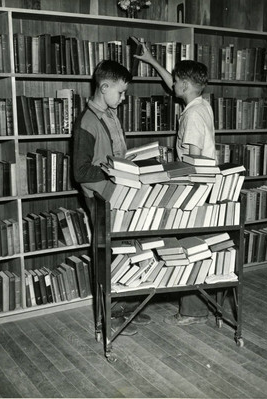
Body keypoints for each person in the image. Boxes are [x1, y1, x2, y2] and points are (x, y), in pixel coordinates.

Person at [135, 43, 216, 326]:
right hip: (203, 186)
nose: (173, 86)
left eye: (176, 81)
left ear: (184, 84)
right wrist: (151, 60)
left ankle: (194, 312)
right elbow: (175, 83)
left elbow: (192, 160)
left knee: (188, 247)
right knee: (193, 245)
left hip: (192, 187)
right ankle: (195, 306)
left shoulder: (192, 115)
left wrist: (164, 175)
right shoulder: (200, 104)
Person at [72, 59, 151, 335]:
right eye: (121, 92)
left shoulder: (110, 113)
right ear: (104, 87)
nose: (124, 97)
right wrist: (115, 170)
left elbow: (116, 150)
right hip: (101, 199)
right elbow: (81, 171)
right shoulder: (87, 121)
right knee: (108, 255)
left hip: (119, 195)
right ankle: (110, 316)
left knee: (126, 251)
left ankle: (126, 308)